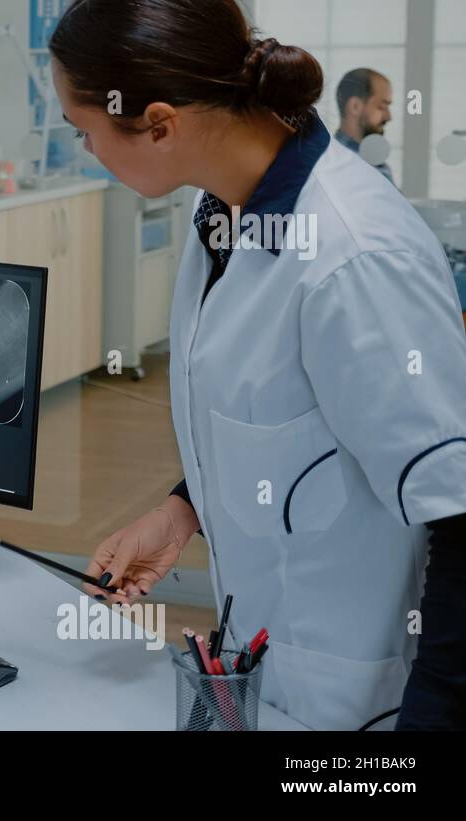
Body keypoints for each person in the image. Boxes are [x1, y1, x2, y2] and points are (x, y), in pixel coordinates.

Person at [49, 0, 466, 729]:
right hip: (263, 664)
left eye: (84, 131)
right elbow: (280, 410)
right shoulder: (222, 211)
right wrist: (184, 509)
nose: (86, 149)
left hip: (358, 705)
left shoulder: (353, 257)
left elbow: (459, 507)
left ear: (158, 123)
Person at [334, 68, 396, 187]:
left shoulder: (372, 162)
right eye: (382, 107)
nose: (388, 117)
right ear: (355, 106)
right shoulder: (339, 166)